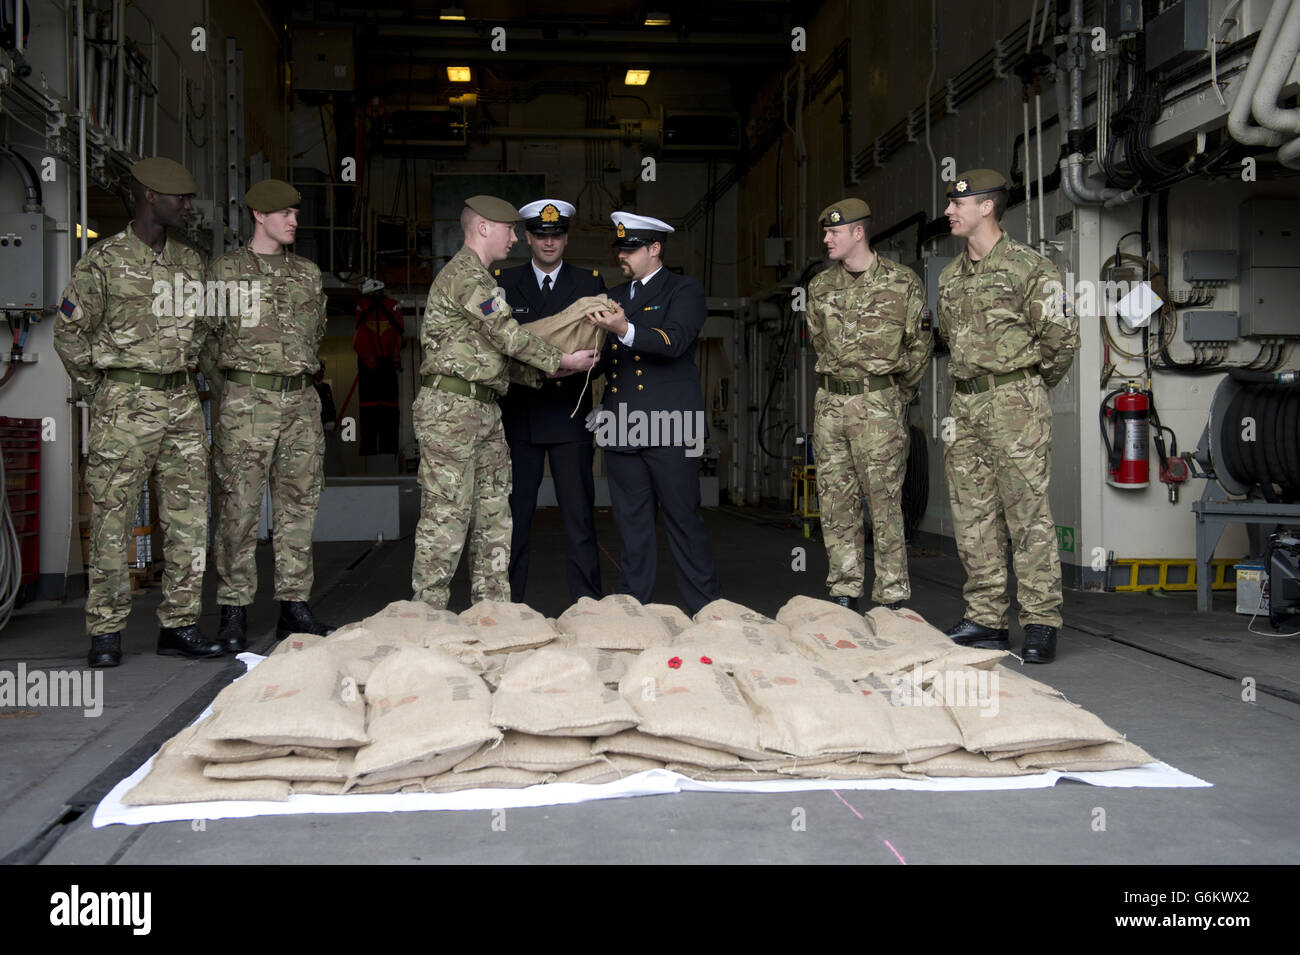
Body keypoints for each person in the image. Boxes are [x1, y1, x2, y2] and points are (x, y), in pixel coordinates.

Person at [54, 157, 223, 667]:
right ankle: (106, 631)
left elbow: (203, 334)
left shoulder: (191, 264)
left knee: (190, 517)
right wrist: (100, 392)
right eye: (181, 198)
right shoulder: (103, 262)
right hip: (123, 405)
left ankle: (180, 624)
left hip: (182, 403)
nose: (188, 207)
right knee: (113, 516)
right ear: (151, 196)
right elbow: (68, 334)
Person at [411, 195, 598, 608]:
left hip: (485, 410)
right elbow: (508, 335)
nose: (515, 238)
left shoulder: (483, 279)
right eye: (509, 229)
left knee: (496, 520)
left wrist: (548, 372)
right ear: (483, 228)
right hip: (451, 411)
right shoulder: (466, 277)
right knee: (446, 519)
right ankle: (425, 616)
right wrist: (560, 359)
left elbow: (495, 358)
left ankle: (493, 613)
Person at [937, 169, 1078, 663]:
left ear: (988, 208)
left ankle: (1040, 622)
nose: (950, 211)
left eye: (959, 203)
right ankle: (986, 619)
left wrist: (1027, 388)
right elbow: (952, 341)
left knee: (1026, 513)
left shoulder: (1030, 267)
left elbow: (1061, 340)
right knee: (972, 514)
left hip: (1016, 401)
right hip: (965, 403)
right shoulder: (951, 277)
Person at [198, 178, 334, 649]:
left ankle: (294, 606)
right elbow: (205, 343)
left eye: (296, 214)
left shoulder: (309, 275)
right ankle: (233, 609)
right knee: (238, 506)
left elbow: (313, 338)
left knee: (300, 504)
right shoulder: (225, 271)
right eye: (285, 214)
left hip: (301, 402)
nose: (294, 221)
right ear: (259, 215)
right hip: (246, 405)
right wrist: (235, 391)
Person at [586, 211, 722, 615]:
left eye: (631, 249)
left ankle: (708, 608)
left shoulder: (685, 289)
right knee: (631, 527)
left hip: (672, 428)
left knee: (683, 521)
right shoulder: (612, 295)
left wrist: (623, 329)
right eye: (620, 248)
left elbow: (674, 341)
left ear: (655, 249)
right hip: (621, 425)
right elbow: (604, 358)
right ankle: (633, 608)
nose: (622, 256)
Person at [806, 197, 932, 612]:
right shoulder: (820, 286)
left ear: (858, 233)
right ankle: (844, 588)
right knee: (835, 497)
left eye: (834, 232)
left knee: (884, 499)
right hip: (830, 405)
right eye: (826, 232)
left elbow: (919, 347)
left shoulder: (903, 281)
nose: (826, 239)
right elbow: (818, 342)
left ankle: (892, 594)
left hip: (879, 404)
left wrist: (893, 393)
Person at [494, 198, 605, 604]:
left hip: (568, 415)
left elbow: (603, 345)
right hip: (519, 416)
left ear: (566, 238)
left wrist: (585, 367)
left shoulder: (589, 283)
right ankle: (506, 605)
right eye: (541, 235)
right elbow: (497, 348)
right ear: (527, 237)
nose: (549, 242)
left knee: (578, 518)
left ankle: (588, 605)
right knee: (513, 519)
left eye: (556, 234)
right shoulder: (504, 282)